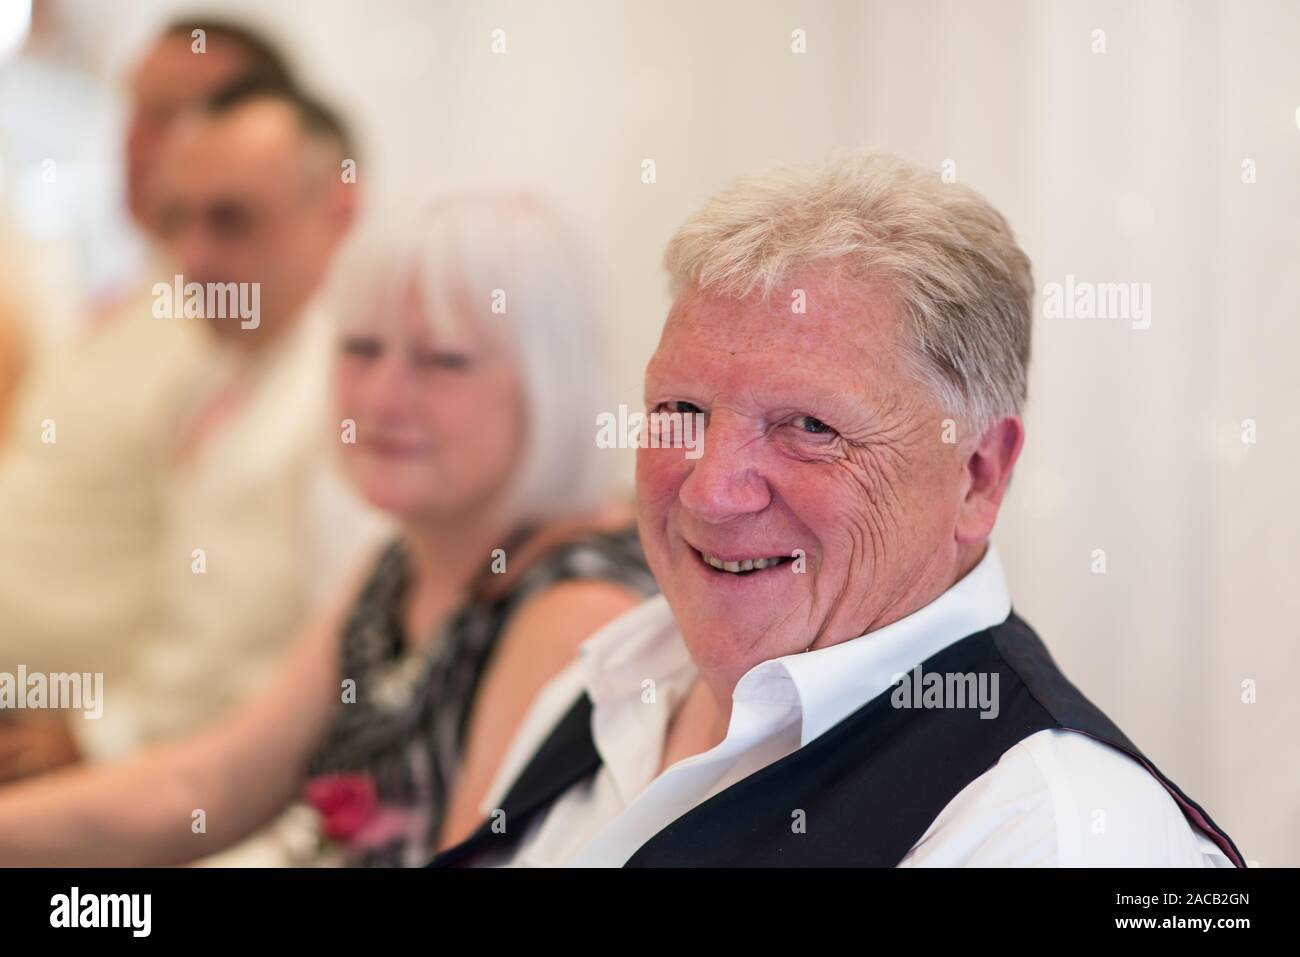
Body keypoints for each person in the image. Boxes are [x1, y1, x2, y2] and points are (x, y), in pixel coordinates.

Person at [428, 152, 1246, 868]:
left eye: (809, 427)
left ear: (978, 475)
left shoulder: (1052, 830)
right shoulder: (607, 680)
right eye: (682, 410)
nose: (712, 490)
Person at [0, 189, 658, 867]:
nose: (381, 398)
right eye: (361, 349)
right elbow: (209, 784)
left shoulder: (574, 609)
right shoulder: (403, 561)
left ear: (547, 381)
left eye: (442, 360)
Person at [0, 79, 380, 775]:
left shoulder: (360, 397)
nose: (196, 259)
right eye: (177, 221)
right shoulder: (228, 366)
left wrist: (96, 744)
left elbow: (334, 679)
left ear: (339, 210)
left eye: (231, 219)